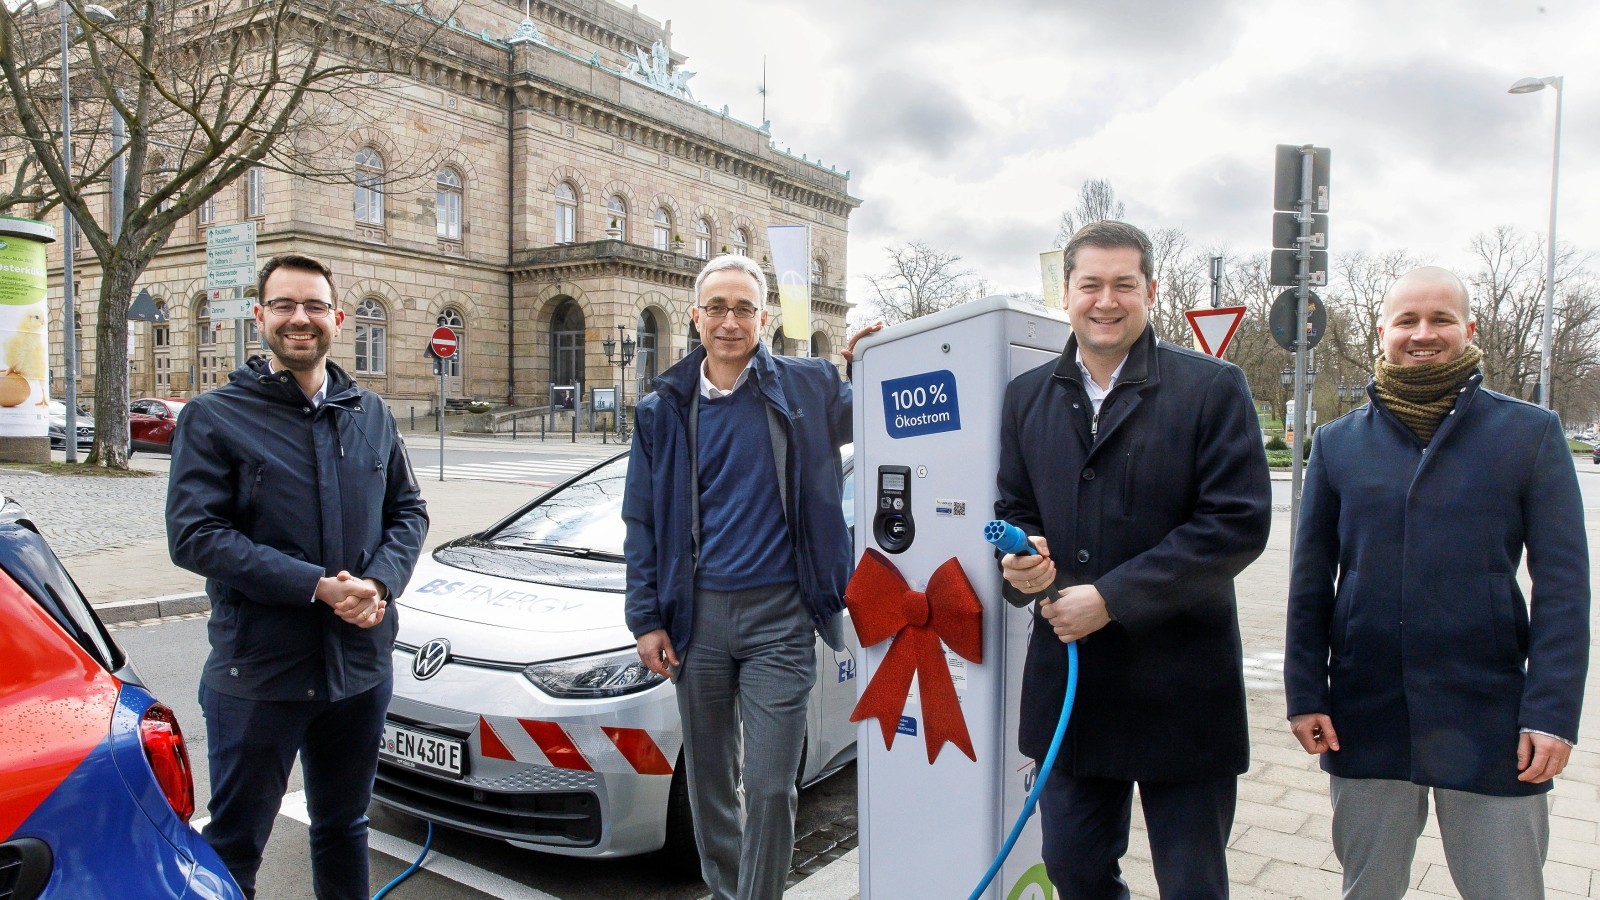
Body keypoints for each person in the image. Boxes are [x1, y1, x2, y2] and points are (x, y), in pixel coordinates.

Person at [1283, 266, 1589, 899]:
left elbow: (1563, 586)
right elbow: (1310, 583)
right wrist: (1306, 690)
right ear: (1382, 332)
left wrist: (1553, 711)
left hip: (1494, 715)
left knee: (1506, 889)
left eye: (1440, 319)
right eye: (1407, 321)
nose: (1423, 333)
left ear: (1468, 328)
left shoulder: (1529, 434)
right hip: (1366, 714)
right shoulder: (1338, 446)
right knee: (1368, 889)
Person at [995, 221, 1272, 899]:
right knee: (1073, 868)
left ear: (1151, 290)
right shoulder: (1027, 396)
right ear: (1066, 293)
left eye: (1124, 284)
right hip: (1075, 689)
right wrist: (1022, 565)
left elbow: (1236, 524)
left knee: (1192, 883)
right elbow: (1016, 509)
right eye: (1091, 284)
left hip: (1181, 687)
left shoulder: (1211, 387)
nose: (1106, 300)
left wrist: (1113, 598)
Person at [167, 253, 429, 899]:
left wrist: (381, 583)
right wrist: (317, 585)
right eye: (284, 305)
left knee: (344, 826)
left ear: (337, 318)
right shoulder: (214, 416)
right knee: (233, 847)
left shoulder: (370, 412)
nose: (299, 318)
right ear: (260, 317)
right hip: (259, 674)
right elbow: (196, 536)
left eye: (313, 305)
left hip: (359, 669)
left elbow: (408, 509)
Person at [622, 253, 878, 900]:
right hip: (697, 620)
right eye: (718, 309)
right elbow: (641, 522)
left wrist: (877, 362)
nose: (730, 322)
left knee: (769, 785)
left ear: (764, 318)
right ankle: (731, 891)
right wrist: (646, 617)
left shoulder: (809, 386)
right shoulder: (663, 408)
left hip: (781, 620)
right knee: (711, 787)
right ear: (695, 317)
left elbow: (879, 414)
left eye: (743, 309)